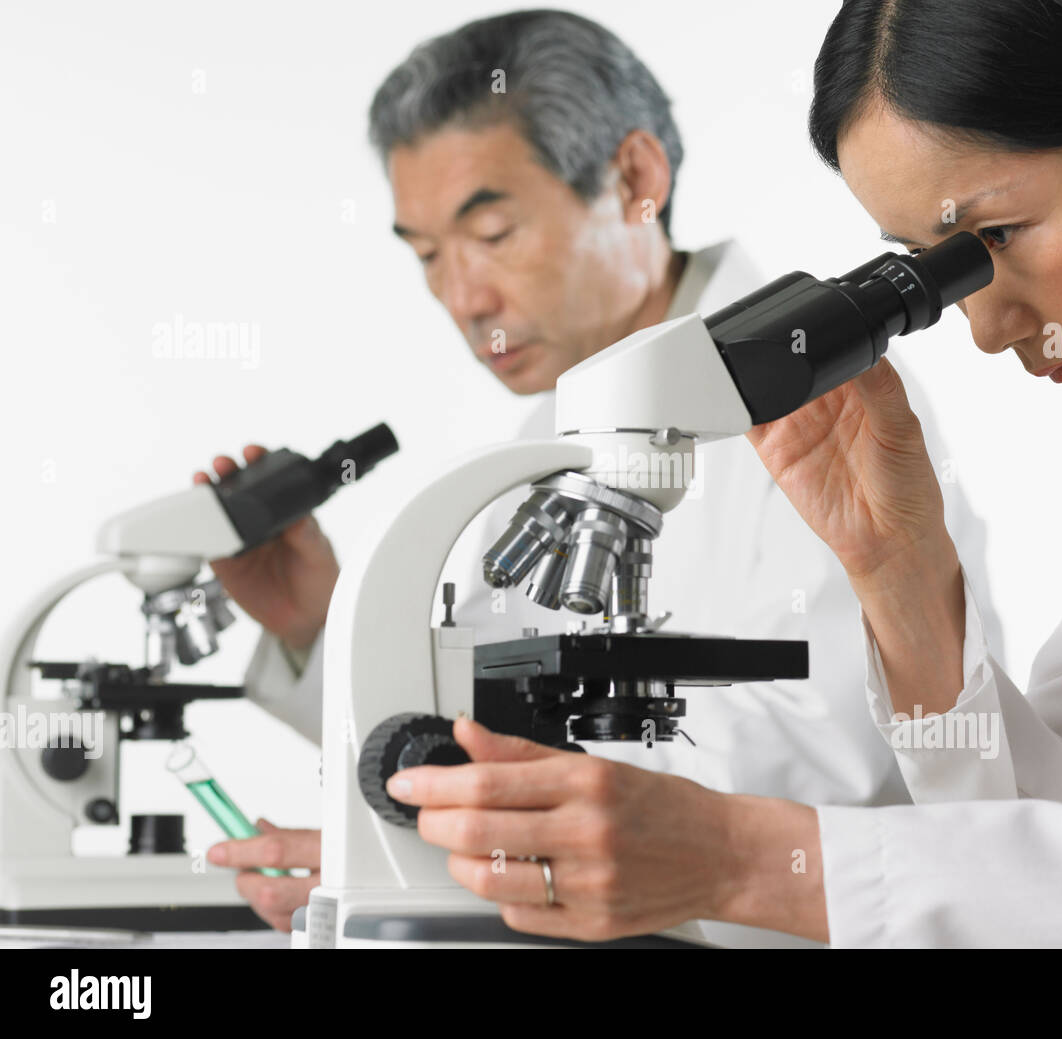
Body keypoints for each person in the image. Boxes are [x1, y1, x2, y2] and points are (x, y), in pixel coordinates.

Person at [376, 0, 1062, 947]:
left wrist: (736, 859)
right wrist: (901, 579)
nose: (982, 328)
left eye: (1001, 234)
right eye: (930, 264)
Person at [194, 9, 997, 942]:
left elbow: (841, 767)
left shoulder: (823, 403)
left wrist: (481, 850)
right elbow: (469, 716)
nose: (463, 297)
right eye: (425, 255)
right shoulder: (558, 432)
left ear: (635, 181)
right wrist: (321, 619)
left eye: (491, 232)